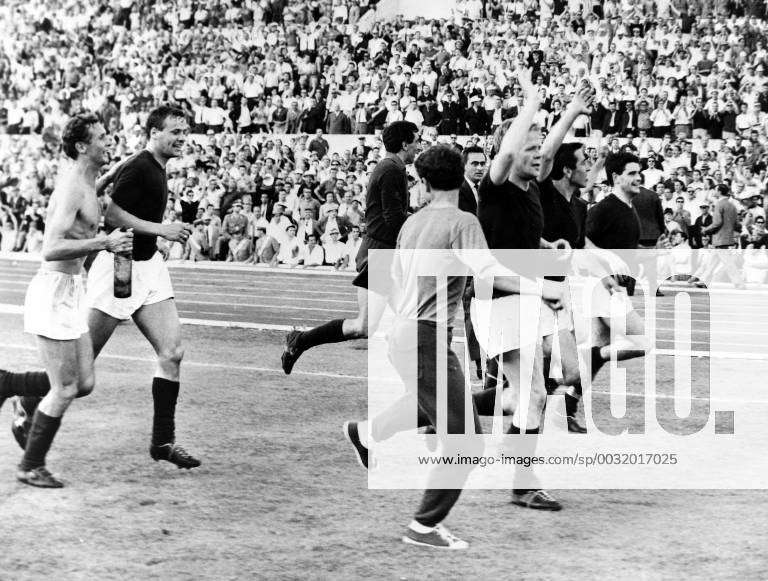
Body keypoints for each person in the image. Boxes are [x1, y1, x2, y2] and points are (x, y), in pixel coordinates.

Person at [342, 144, 564, 550]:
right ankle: (423, 527)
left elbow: (393, 275)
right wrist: (542, 288)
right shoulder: (463, 221)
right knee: (465, 442)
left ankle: (365, 432)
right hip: (425, 336)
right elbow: (490, 271)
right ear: (461, 175)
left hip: (404, 333)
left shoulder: (411, 224)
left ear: (422, 183)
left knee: (433, 404)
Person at [16, 113, 134, 487]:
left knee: (82, 383)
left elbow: (87, 199)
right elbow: (50, 248)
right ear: (82, 146)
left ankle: (9, 384)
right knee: (64, 388)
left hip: (72, 289)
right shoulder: (71, 185)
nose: (108, 140)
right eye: (101, 136)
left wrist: (109, 176)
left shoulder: (85, 181)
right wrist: (105, 242)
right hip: (53, 291)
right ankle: (31, 465)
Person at [80, 105, 200, 469]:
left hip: (148, 267)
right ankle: (23, 395)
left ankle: (163, 441)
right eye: (174, 131)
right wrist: (162, 230)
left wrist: (157, 236)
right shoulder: (141, 166)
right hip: (120, 268)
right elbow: (112, 215)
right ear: (154, 133)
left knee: (172, 352)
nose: (182, 138)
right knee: (79, 373)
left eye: (185, 131)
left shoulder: (153, 165)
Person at [468, 69, 566, 511]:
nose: (539, 155)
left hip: (526, 296)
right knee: (532, 392)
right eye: (530, 147)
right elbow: (512, 149)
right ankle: (523, 483)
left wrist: (572, 113)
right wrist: (531, 100)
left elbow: (542, 154)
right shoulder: (499, 185)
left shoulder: (529, 188)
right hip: (503, 298)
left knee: (527, 391)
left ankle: (398, 422)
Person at [281, 121, 420, 374]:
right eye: (416, 141)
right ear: (404, 143)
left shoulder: (391, 167)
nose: (418, 146)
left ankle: (301, 341)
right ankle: (300, 341)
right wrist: (423, 221)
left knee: (376, 325)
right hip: (382, 254)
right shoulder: (391, 169)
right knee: (397, 321)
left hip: (382, 252)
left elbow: (393, 214)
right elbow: (393, 218)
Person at [583, 151, 651, 382]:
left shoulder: (629, 207)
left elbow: (623, 248)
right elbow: (578, 240)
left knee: (601, 347)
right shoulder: (604, 208)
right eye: (631, 173)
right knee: (644, 342)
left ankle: (567, 402)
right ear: (616, 177)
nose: (638, 177)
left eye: (639, 173)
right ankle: (588, 357)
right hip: (603, 288)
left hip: (609, 289)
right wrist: (606, 256)